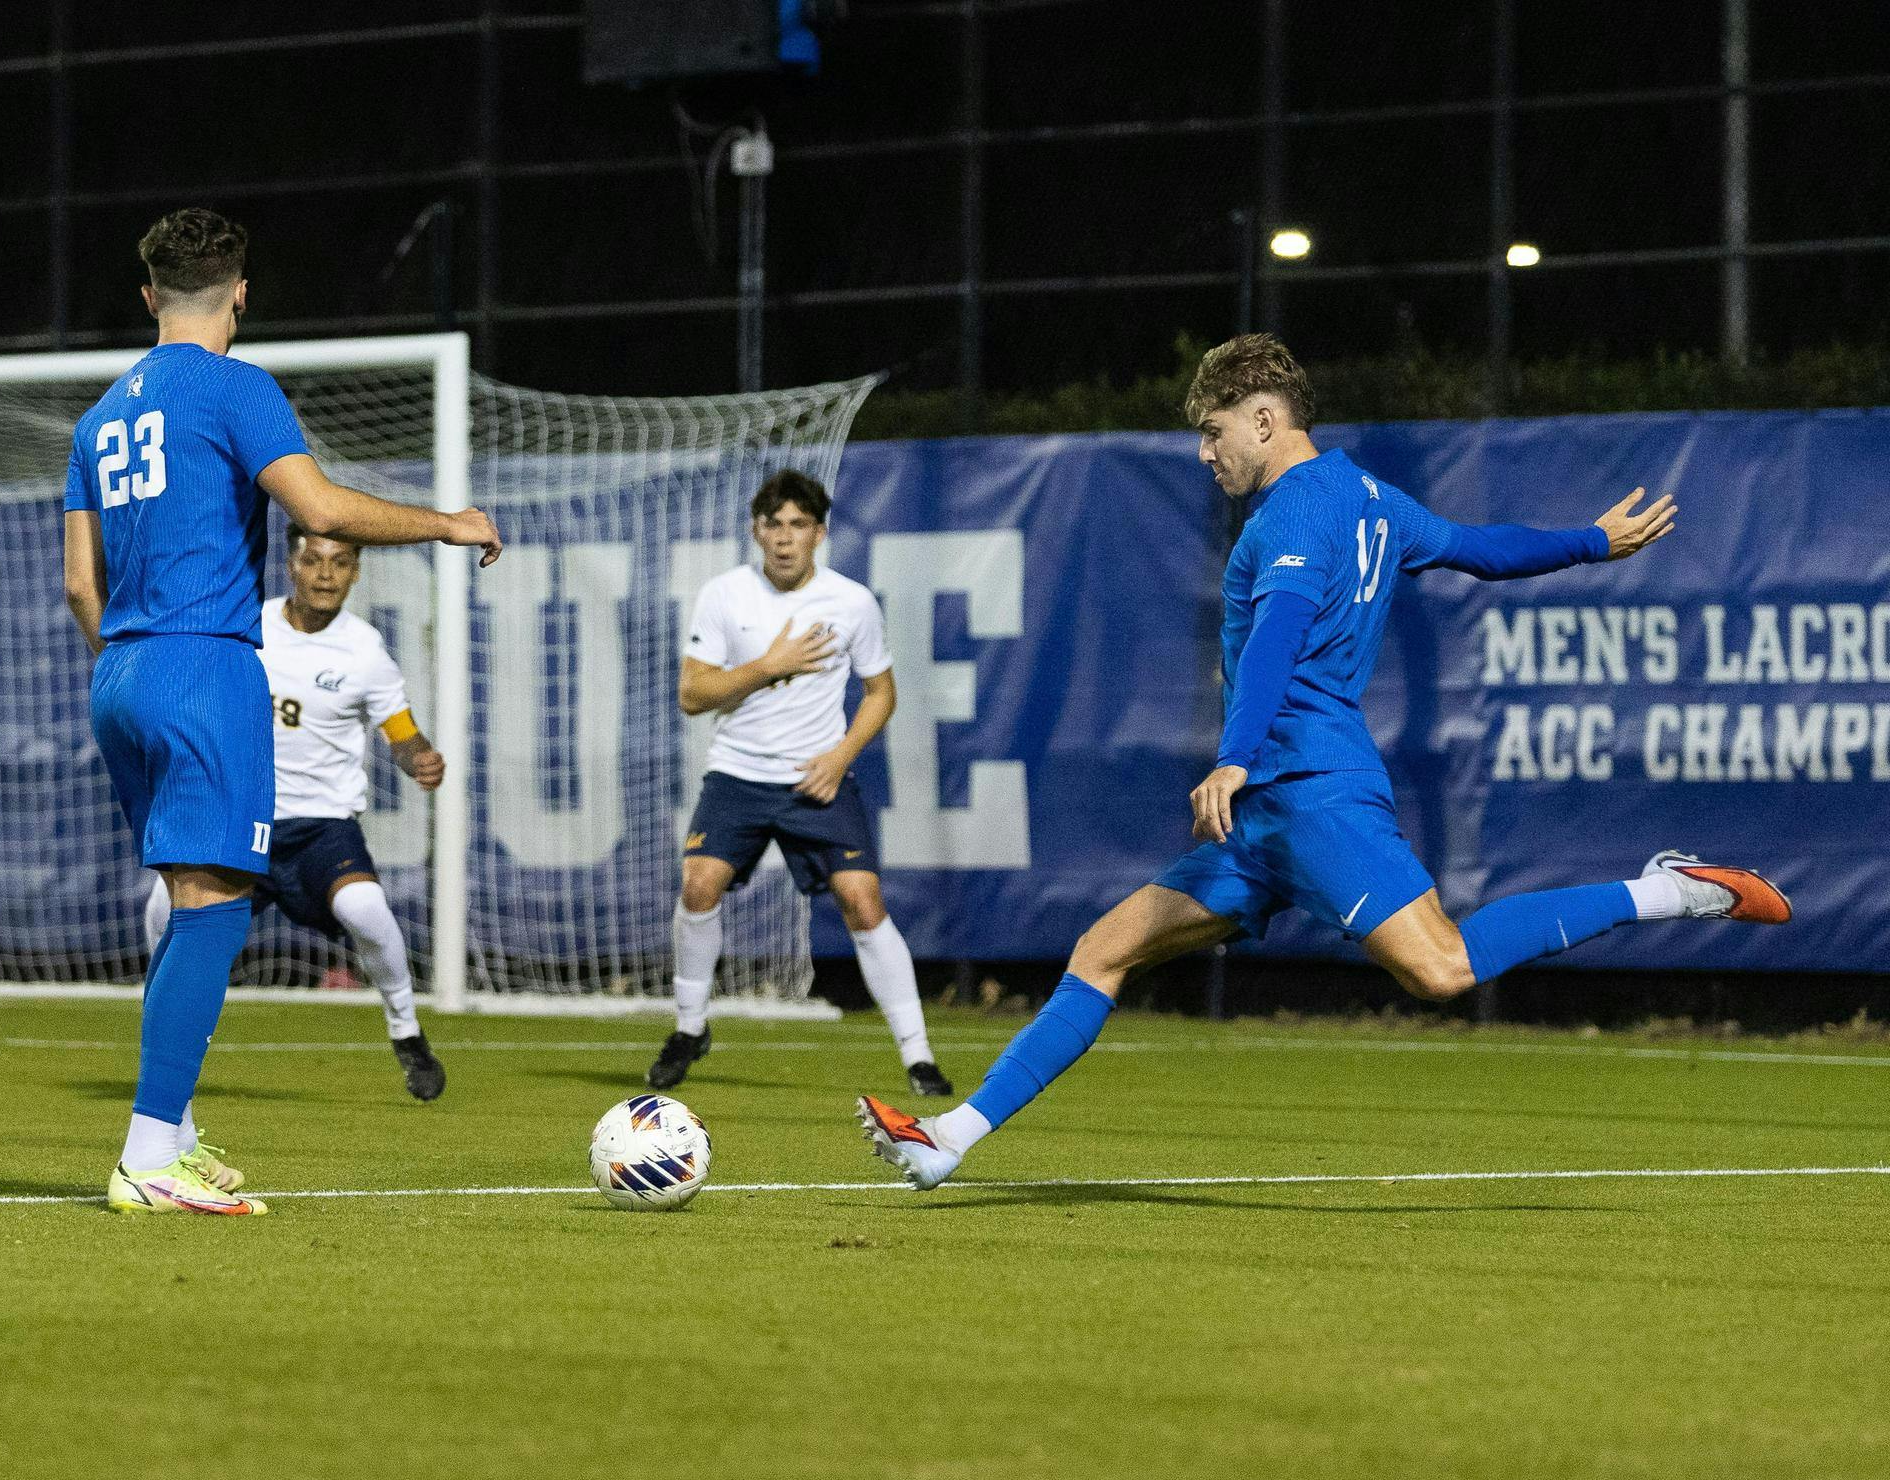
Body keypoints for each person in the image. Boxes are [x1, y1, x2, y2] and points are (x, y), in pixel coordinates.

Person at [858, 333, 1790, 1188]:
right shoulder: (1369, 498)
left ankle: (1667, 890)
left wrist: (1231, 757)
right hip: (1261, 813)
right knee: (1105, 950)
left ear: (1265, 420)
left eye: (1214, 431)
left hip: (1308, 793)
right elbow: (1479, 549)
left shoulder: (1294, 515)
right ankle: (952, 1139)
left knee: (1443, 971)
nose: (1205, 451)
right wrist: (1589, 541)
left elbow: (1279, 633)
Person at [63, 207, 500, 1216]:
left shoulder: (97, 420)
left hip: (119, 673)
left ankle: (169, 1134)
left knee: (186, 899)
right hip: (204, 667)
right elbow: (322, 512)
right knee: (217, 909)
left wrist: (131, 672)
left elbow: (80, 586)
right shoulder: (236, 389)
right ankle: (146, 1156)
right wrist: (446, 522)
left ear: (148, 296)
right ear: (241, 294)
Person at [651, 468, 950, 1096]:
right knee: (699, 885)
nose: (785, 539)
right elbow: (692, 693)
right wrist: (768, 666)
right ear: (757, 532)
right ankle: (688, 1027)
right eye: (774, 525)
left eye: (798, 526)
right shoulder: (725, 594)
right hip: (737, 773)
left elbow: (881, 693)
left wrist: (840, 756)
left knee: (863, 902)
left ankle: (919, 1057)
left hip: (818, 776)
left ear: (819, 533)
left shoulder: (851, 601)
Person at [144, 525, 447, 1102]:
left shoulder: (365, 650)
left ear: (356, 572)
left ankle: (406, 1030)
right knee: (163, 907)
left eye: (339, 562)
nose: (325, 574)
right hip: (242, 815)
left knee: (365, 907)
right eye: (313, 560)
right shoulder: (246, 626)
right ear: (291, 565)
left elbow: (400, 732)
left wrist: (419, 758)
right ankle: (162, 1030)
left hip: (322, 826)